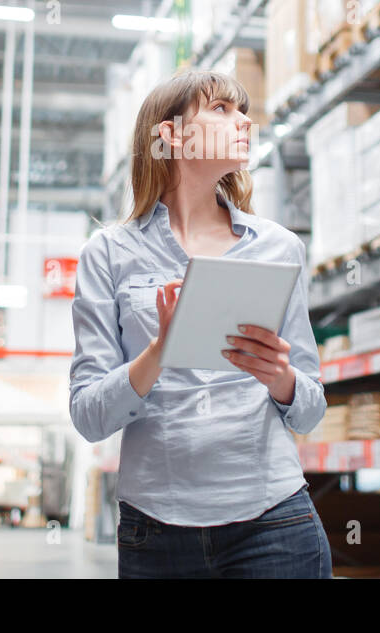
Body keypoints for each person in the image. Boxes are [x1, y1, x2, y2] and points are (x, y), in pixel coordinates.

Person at [69, 68, 332, 578]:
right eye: (222, 109)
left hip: (274, 523)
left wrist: (281, 379)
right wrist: (158, 352)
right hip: (157, 532)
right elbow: (88, 416)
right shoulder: (109, 254)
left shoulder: (278, 247)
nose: (245, 122)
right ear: (169, 134)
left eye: (244, 110)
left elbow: (310, 408)